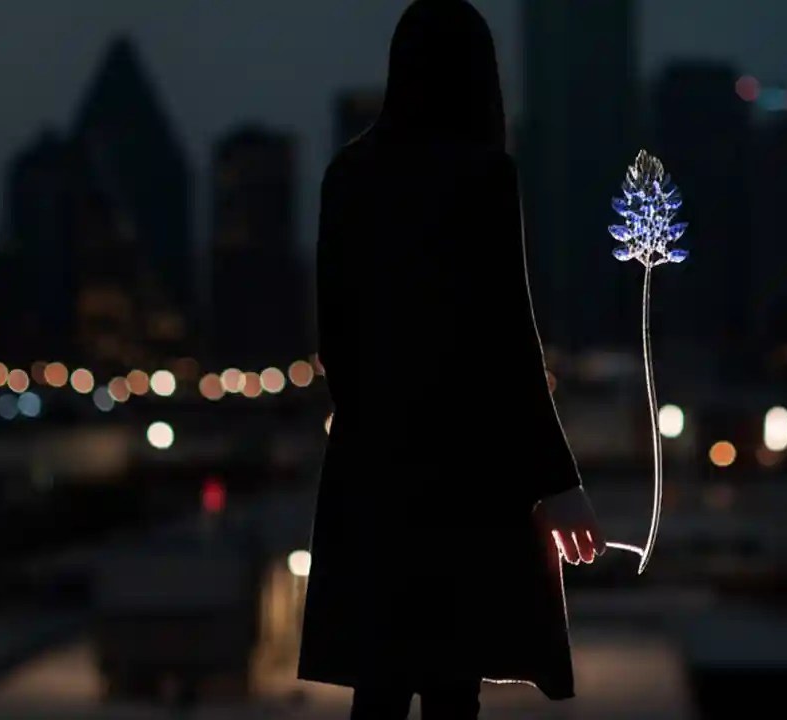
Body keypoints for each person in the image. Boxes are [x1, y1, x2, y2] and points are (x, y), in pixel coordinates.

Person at [296, 1, 607, 718]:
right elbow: (507, 340)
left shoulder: (348, 175)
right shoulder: (482, 175)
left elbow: (337, 338)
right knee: (450, 683)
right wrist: (559, 483)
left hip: (371, 469)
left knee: (378, 682)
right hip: (464, 472)